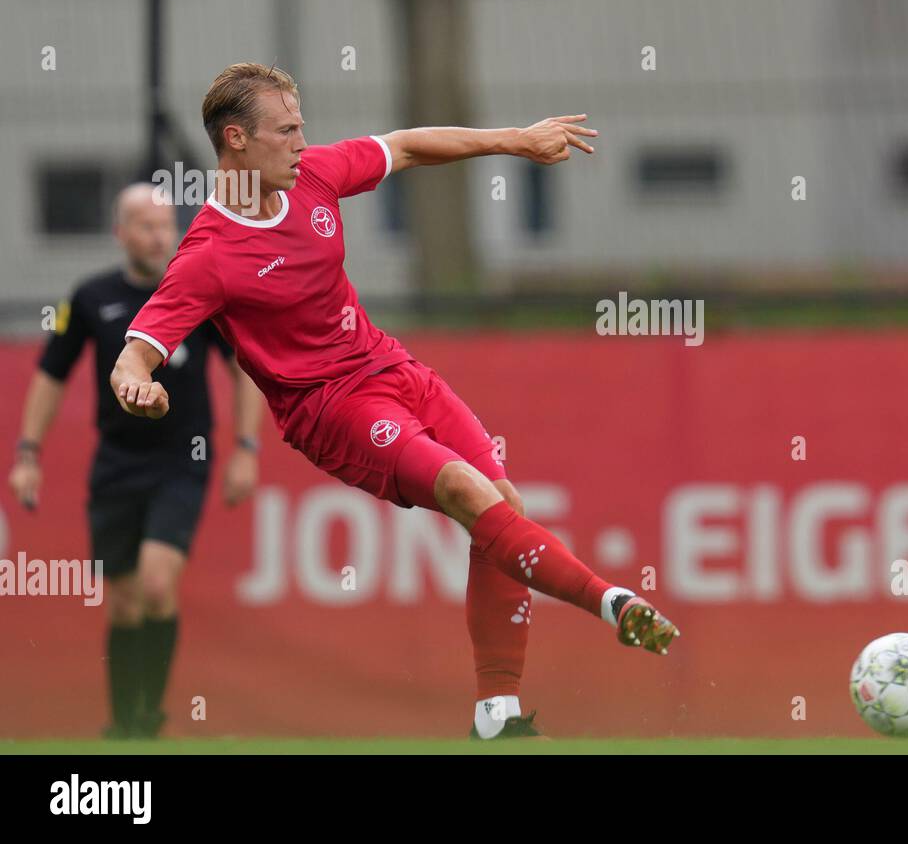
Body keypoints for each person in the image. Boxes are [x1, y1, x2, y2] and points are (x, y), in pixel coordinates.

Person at [109, 63, 679, 740]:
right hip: (331, 410)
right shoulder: (209, 254)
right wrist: (135, 385)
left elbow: (406, 145)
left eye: (302, 128)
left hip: (391, 366)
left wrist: (518, 141)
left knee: (504, 505)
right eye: (286, 130)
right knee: (470, 492)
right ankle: (608, 601)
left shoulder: (314, 175)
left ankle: (495, 713)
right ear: (235, 139)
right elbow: (136, 351)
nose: (301, 142)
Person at [9, 182, 264, 738]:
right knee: (123, 604)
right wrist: (28, 453)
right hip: (117, 463)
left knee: (155, 584)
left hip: (182, 460)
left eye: (165, 225)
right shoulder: (91, 297)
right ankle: (124, 725)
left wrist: (246, 448)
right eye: (145, 226)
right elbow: (52, 376)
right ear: (120, 232)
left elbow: (245, 369)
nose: (157, 236)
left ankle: (150, 717)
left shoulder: (197, 292)